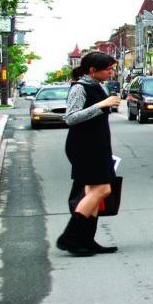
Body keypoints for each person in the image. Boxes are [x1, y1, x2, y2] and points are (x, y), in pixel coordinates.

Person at [56, 52, 122, 256]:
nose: (111, 73)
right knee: (102, 190)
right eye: (108, 69)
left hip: (98, 144)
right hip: (84, 146)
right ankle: (70, 237)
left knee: (93, 191)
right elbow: (70, 118)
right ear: (92, 70)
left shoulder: (97, 85)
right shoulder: (79, 87)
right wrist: (101, 105)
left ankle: (86, 239)